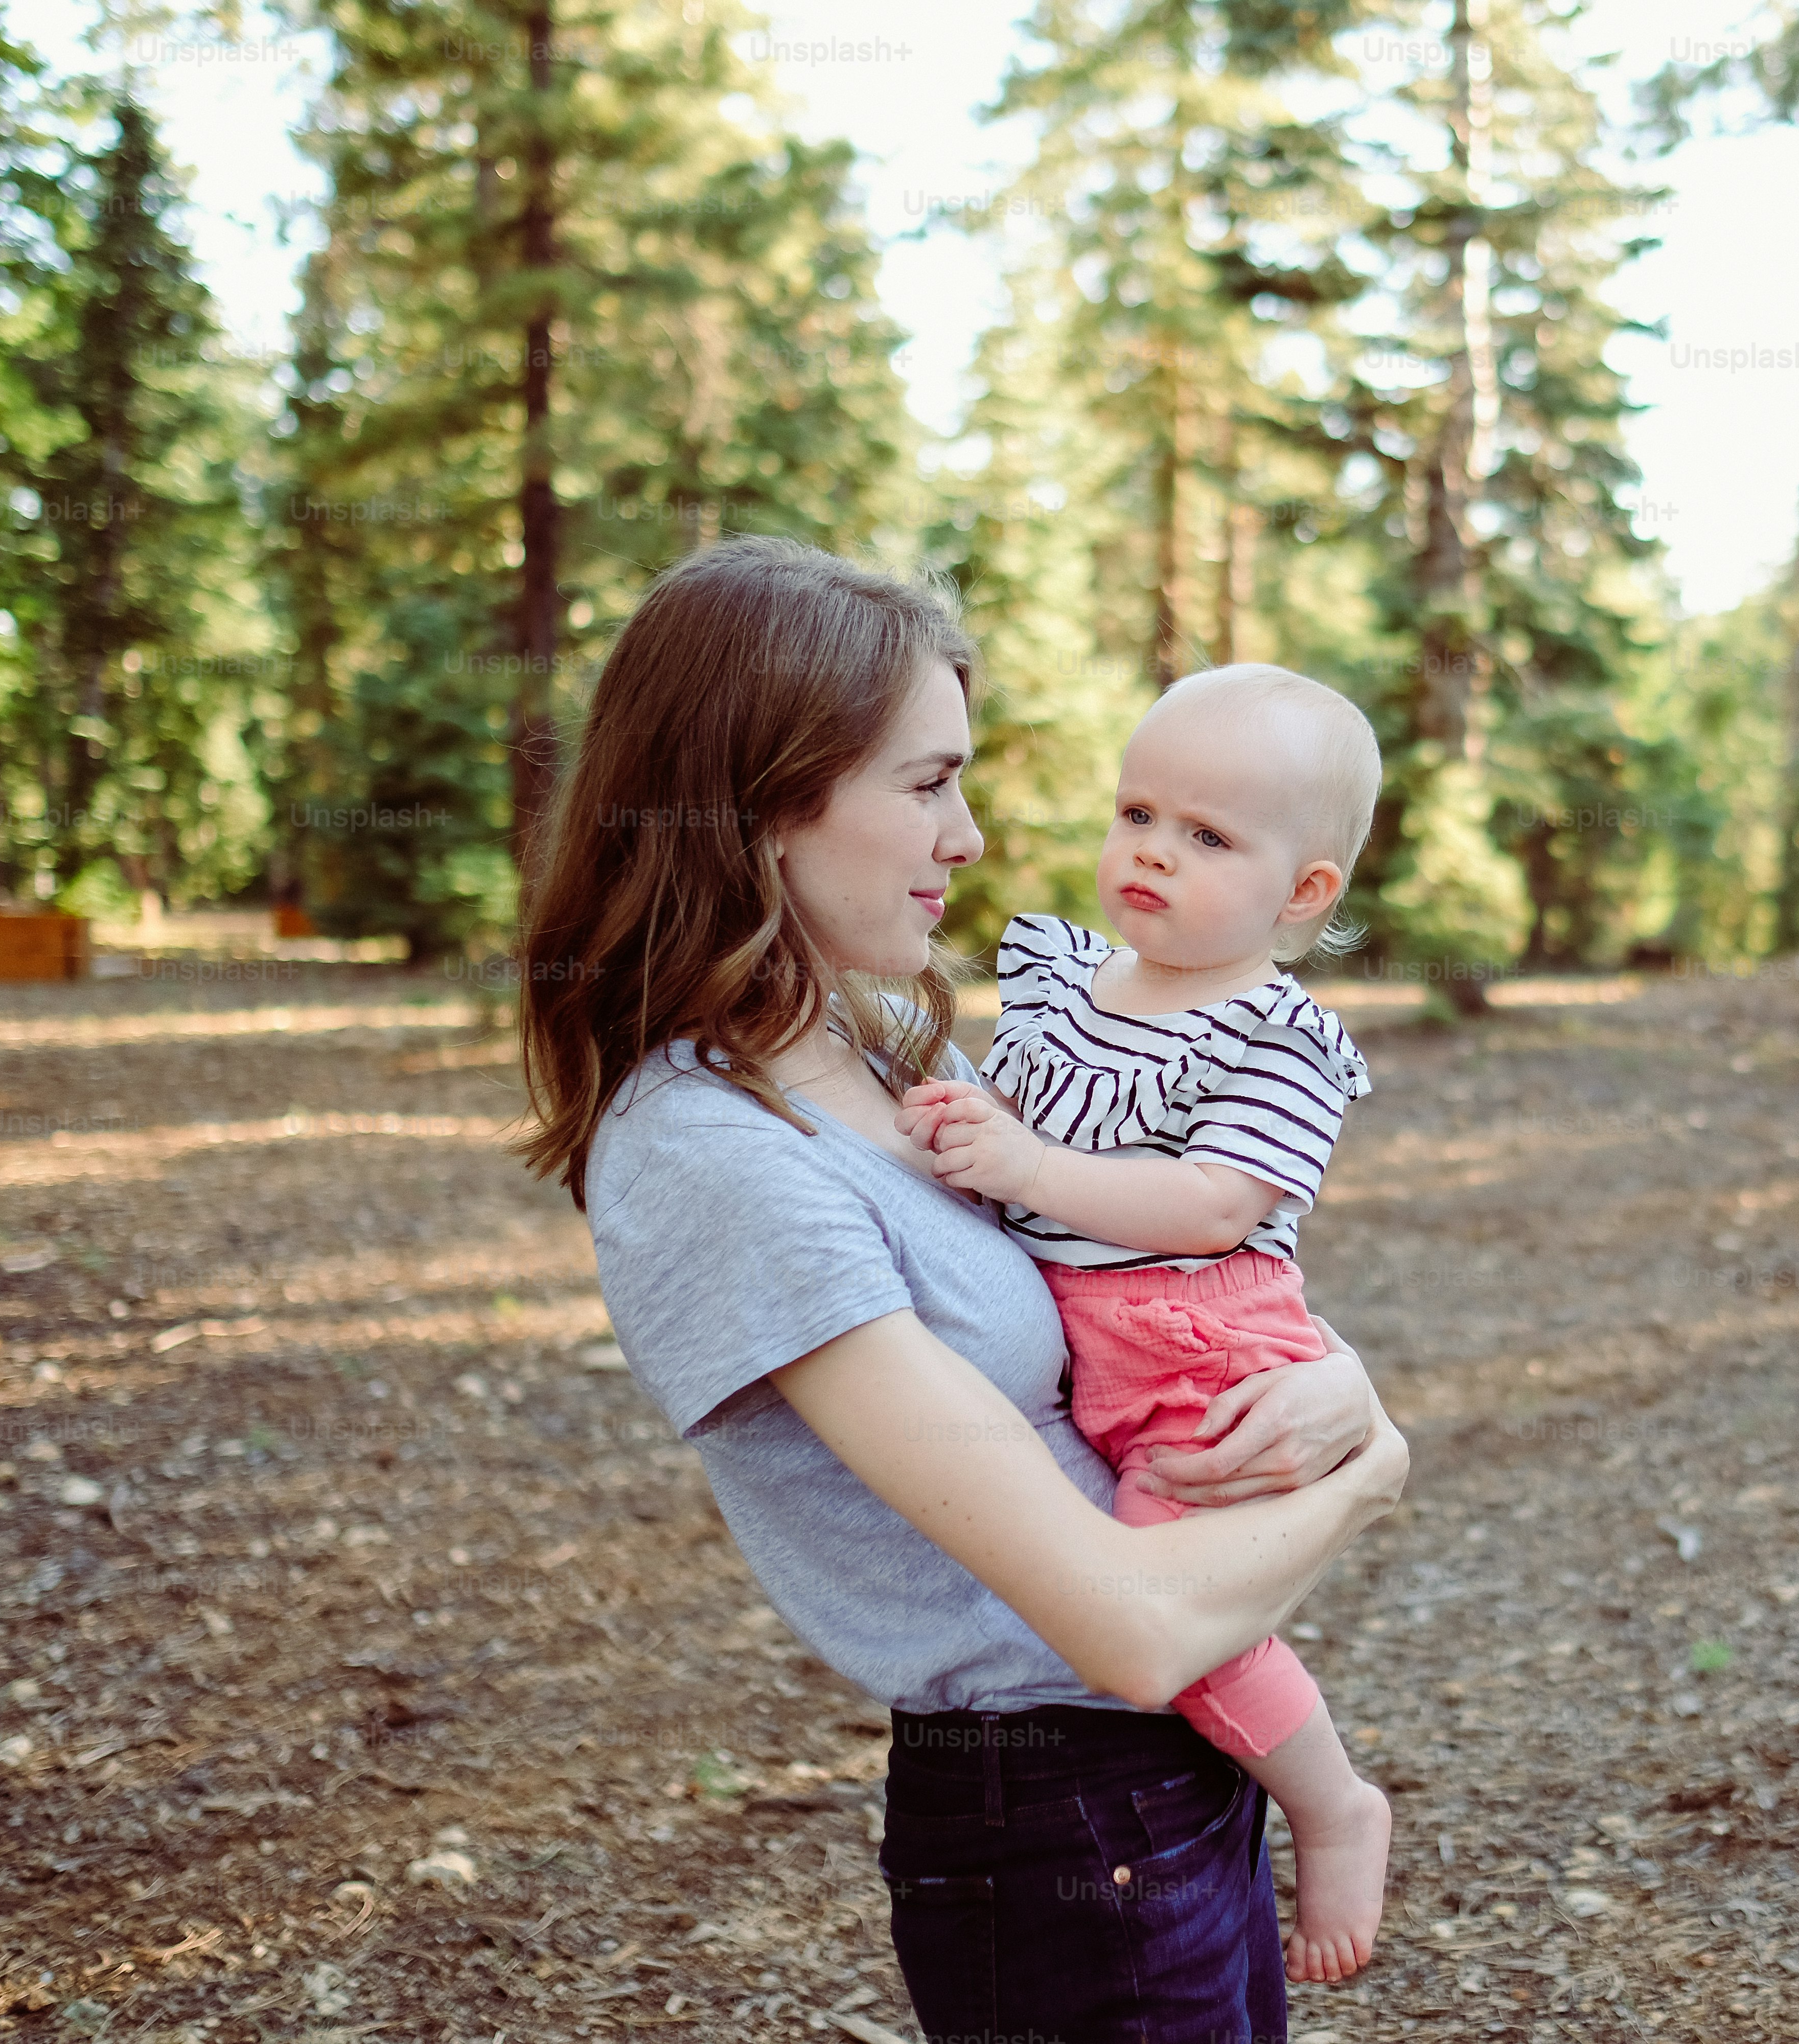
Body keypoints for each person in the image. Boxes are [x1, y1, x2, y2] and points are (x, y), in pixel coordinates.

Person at [514, 537, 1408, 2043]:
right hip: (1059, 1808)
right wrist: (1376, 1465)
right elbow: (1126, 1627)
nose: (974, 836)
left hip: (1174, 1766)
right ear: (763, 795)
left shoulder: (875, 1047)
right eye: (927, 784)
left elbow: (1154, 1248)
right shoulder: (714, 1155)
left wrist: (1335, 1379)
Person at [895, 664, 1394, 1982]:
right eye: (1139, 814)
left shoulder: (1274, 1036)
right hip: (1098, 1333)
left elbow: (1215, 1207)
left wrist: (1031, 1173)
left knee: (1159, 1585)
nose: (1154, 853)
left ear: (1304, 895)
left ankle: (1333, 1803)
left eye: (1209, 837)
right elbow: (999, 1114)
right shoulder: (1067, 987)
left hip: (1197, 1334)